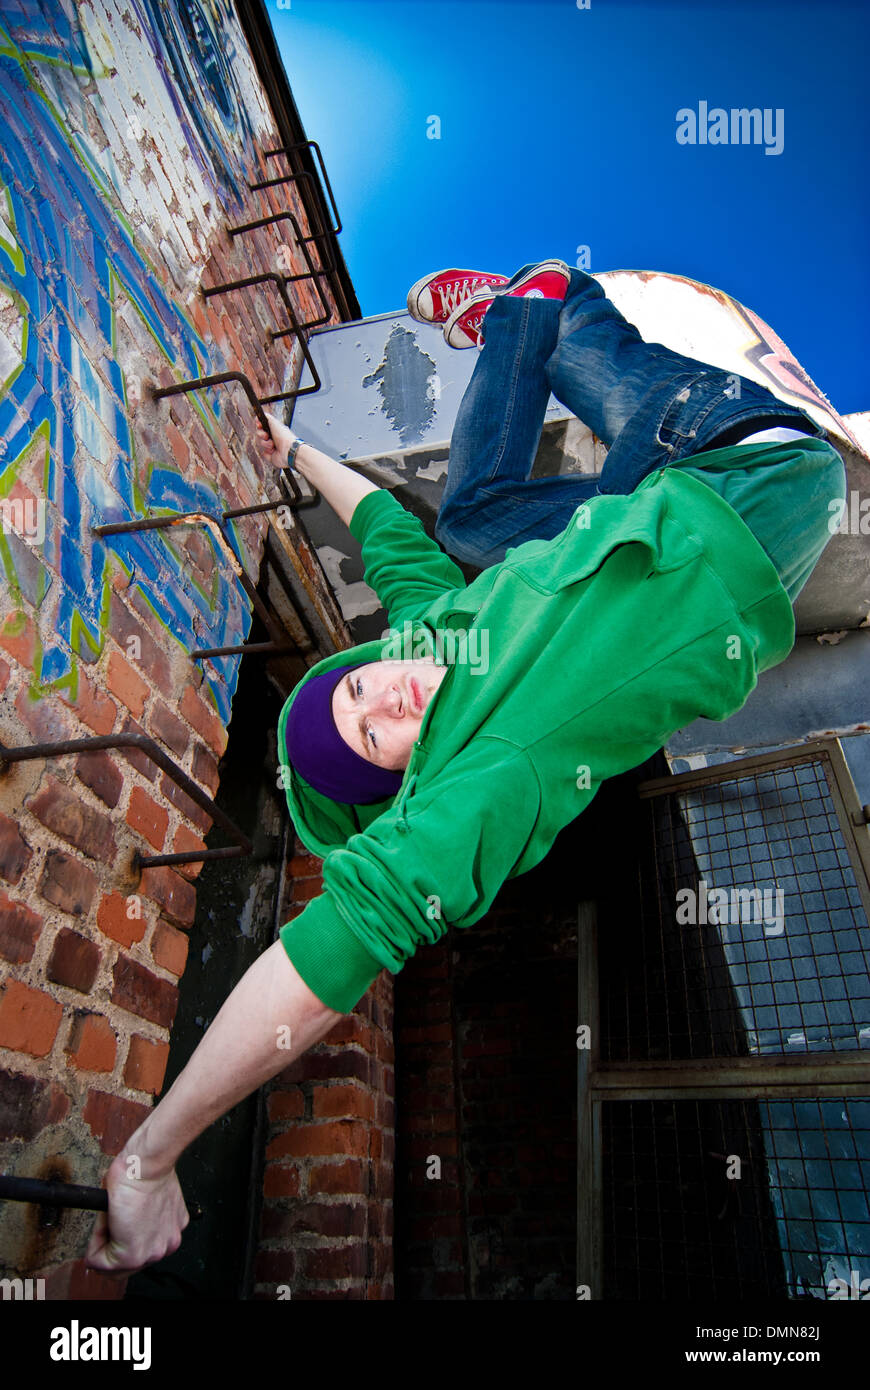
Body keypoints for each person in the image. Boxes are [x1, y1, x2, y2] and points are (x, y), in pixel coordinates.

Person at [85, 261, 846, 1275]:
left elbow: (383, 529)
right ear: (402, 784)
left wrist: (295, 448)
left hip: (665, 508)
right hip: (741, 475)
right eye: (371, 738)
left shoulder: (433, 633)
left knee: (466, 521)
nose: (385, 699)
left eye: (356, 688)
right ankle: (545, 312)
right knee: (583, 364)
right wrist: (148, 1157)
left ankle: (520, 312)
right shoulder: (480, 776)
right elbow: (321, 963)